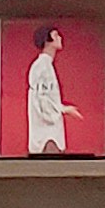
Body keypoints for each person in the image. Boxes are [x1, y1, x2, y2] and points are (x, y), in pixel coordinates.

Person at [25, 21, 69, 155]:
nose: (60, 38)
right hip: (46, 134)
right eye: (56, 35)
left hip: (50, 131)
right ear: (48, 40)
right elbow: (41, 100)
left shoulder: (46, 66)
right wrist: (62, 109)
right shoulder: (41, 67)